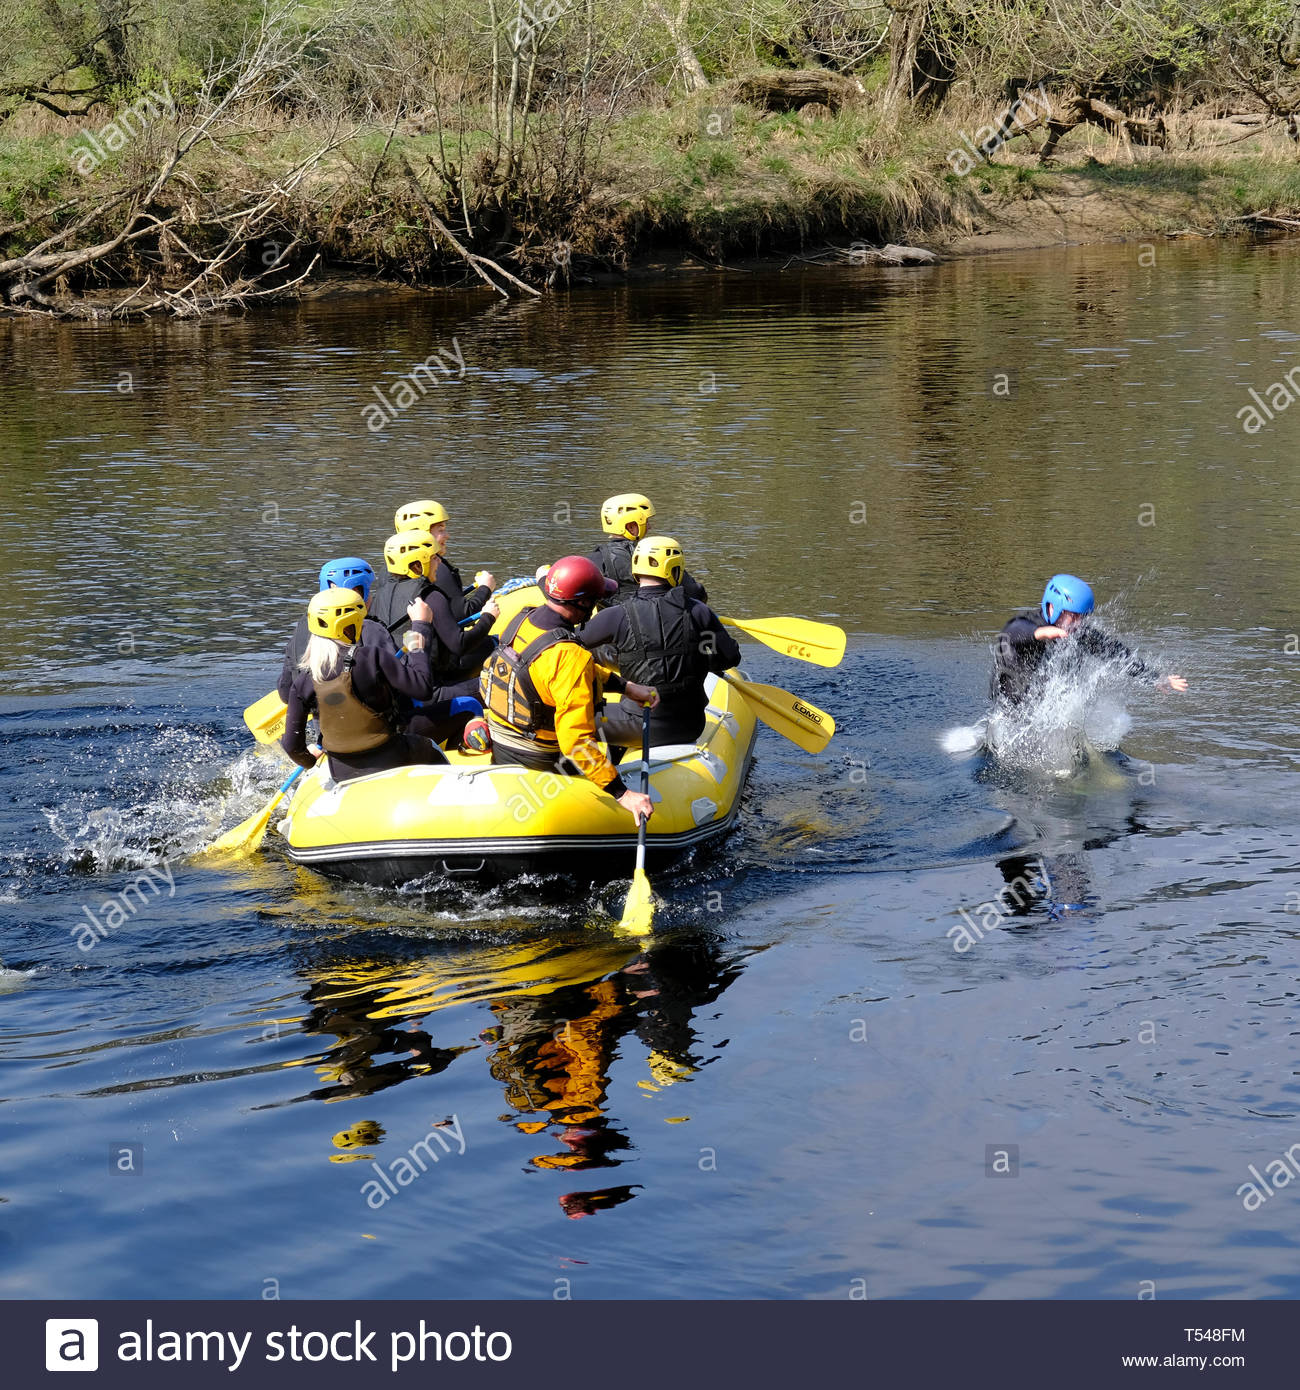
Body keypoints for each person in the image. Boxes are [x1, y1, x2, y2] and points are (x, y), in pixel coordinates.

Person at [479, 555, 656, 824]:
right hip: (540, 758)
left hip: (502, 743)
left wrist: (625, 687)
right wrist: (622, 794)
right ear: (582, 604)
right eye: (594, 601)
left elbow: (548, 672)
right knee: (609, 750)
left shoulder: (523, 618)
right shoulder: (570, 655)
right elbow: (575, 741)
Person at [577, 536, 741, 745]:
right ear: (675, 569)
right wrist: (696, 657)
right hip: (691, 725)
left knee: (561, 714)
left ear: (636, 569)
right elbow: (730, 658)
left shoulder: (616, 615)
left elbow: (567, 644)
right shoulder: (699, 610)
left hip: (638, 723)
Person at [282, 588, 450, 782]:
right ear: (353, 622)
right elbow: (422, 688)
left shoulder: (303, 681)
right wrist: (419, 629)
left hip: (341, 772)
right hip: (392, 758)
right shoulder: (372, 657)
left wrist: (309, 760)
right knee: (430, 745)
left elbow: (291, 746)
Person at [991, 573, 1189, 707]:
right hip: (1010, 702)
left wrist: (1153, 677)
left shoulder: (1075, 631)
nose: (1078, 623)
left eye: (1082, 617)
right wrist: (1039, 634)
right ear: (1054, 607)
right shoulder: (1027, 623)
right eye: (1073, 616)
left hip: (1038, 702)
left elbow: (1114, 652)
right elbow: (1012, 632)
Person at [276, 557, 395, 703]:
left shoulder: (303, 624)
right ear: (357, 592)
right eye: (368, 590)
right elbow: (402, 684)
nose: (371, 597)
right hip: (366, 717)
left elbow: (286, 692)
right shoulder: (371, 629)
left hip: (318, 717)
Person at [588, 493, 707, 606]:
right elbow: (696, 593)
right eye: (646, 522)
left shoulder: (591, 561)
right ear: (630, 526)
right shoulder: (656, 555)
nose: (649, 527)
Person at [366, 530, 440, 639]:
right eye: (434, 558)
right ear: (418, 566)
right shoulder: (431, 596)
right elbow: (457, 643)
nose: (439, 561)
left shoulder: (381, 592)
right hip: (417, 655)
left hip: (391, 654)